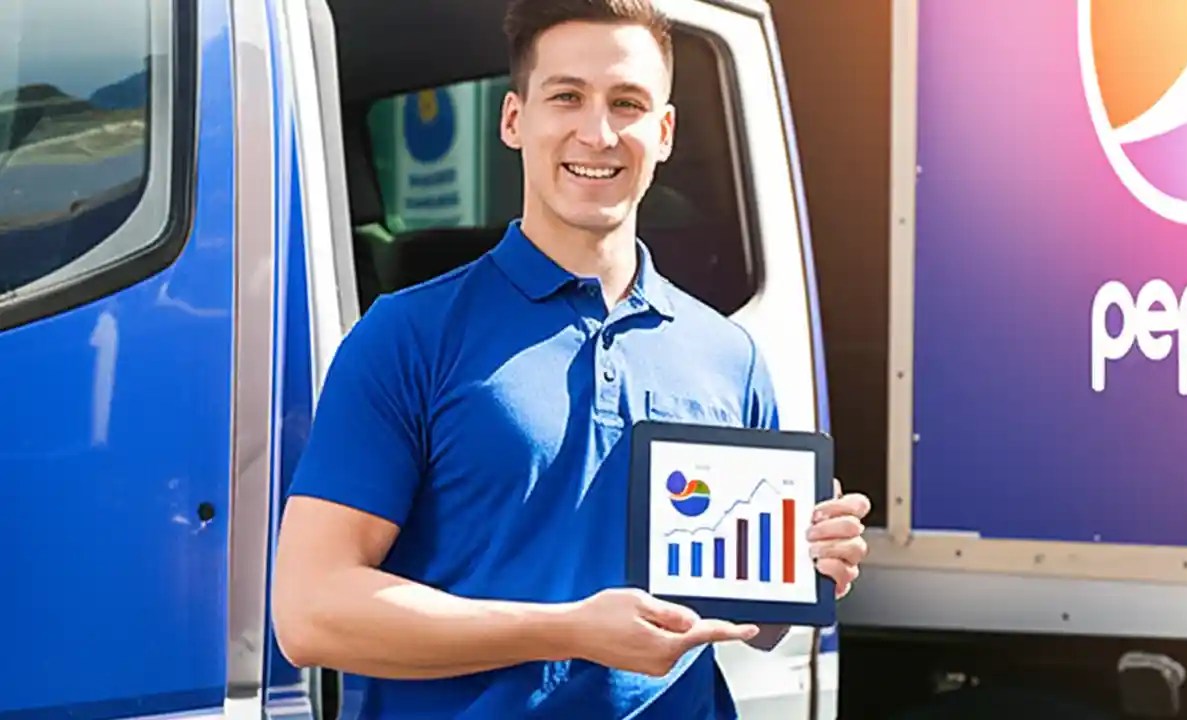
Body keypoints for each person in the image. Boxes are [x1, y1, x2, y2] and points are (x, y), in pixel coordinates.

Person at [270, 0, 871, 717]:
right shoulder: (406, 336)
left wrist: (805, 567)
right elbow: (310, 613)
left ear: (665, 131)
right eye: (567, 97)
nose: (599, 131)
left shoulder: (729, 356)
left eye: (627, 103)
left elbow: (757, 623)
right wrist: (567, 631)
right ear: (514, 120)